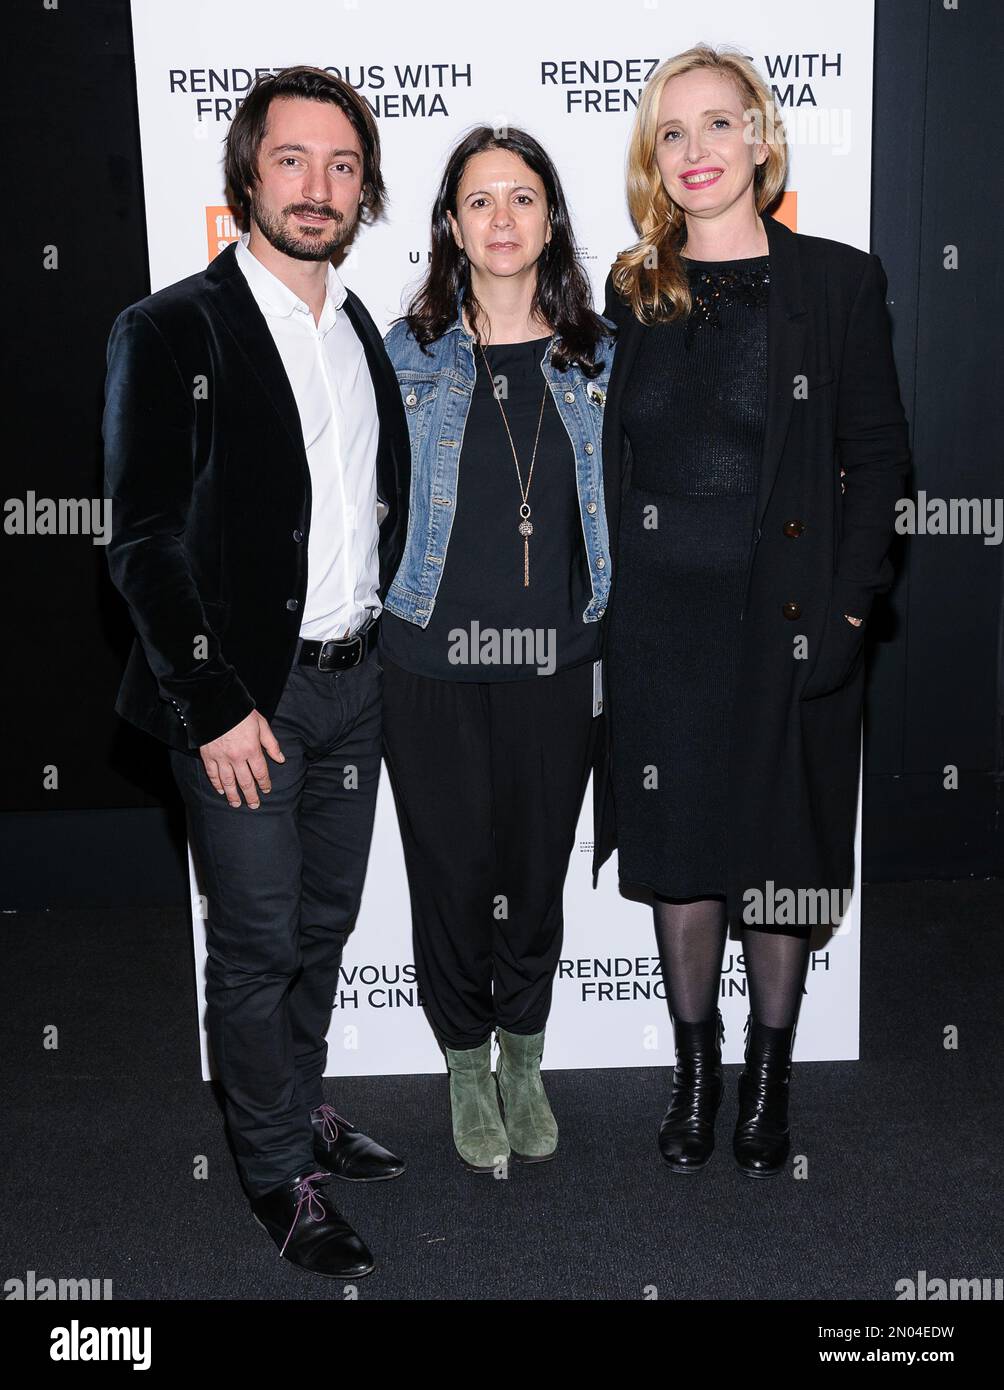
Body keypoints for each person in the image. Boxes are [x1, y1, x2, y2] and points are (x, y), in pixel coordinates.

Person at [103, 66, 411, 1278]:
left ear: (362, 188)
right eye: (292, 160)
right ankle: (279, 1170)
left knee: (324, 926)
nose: (317, 186)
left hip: (353, 685)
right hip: (243, 705)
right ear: (247, 176)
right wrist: (216, 701)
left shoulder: (357, 331)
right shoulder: (170, 326)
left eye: (341, 165)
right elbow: (141, 541)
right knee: (256, 939)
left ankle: (295, 1096)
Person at [594, 46, 910, 1177]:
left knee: (780, 853)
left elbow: (875, 463)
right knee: (678, 857)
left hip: (787, 621)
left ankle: (769, 1083)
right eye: (670, 133)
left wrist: (844, 619)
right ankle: (694, 1073)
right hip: (656, 629)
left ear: (761, 141)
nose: (695, 152)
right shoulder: (633, 291)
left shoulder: (832, 283)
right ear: (653, 156)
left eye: (716, 126)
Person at [379, 126, 615, 1171]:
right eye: (480, 201)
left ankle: (524, 1058)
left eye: (522, 197)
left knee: (530, 870)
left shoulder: (598, 358)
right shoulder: (406, 353)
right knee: (450, 872)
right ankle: (464, 1063)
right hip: (425, 665)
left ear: (550, 217)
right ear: (450, 224)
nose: (503, 218)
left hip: (553, 666)